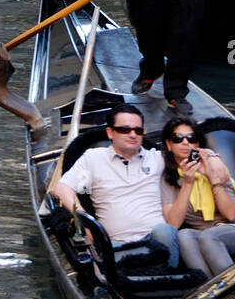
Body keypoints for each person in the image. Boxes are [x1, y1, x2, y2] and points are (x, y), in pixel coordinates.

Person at [54, 105, 181, 267]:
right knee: (105, 254)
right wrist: (83, 219)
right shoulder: (94, 159)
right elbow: (63, 188)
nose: (132, 134)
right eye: (124, 130)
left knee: (166, 231)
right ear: (110, 133)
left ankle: (169, 278)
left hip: (156, 238)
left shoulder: (157, 158)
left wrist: (211, 157)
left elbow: (191, 154)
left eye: (138, 130)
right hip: (113, 242)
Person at [159, 119, 235, 277]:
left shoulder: (214, 167)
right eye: (178, 138)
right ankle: (211, 289)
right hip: (204, 233)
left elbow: (231, 214)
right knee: (183, 235)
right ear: (169, 144)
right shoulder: (169, 178)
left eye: (191, 138)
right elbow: (173, 223)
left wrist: (213, 179)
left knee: (209, 236)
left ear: (197, 144)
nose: (185, 142)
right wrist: (188, 183)